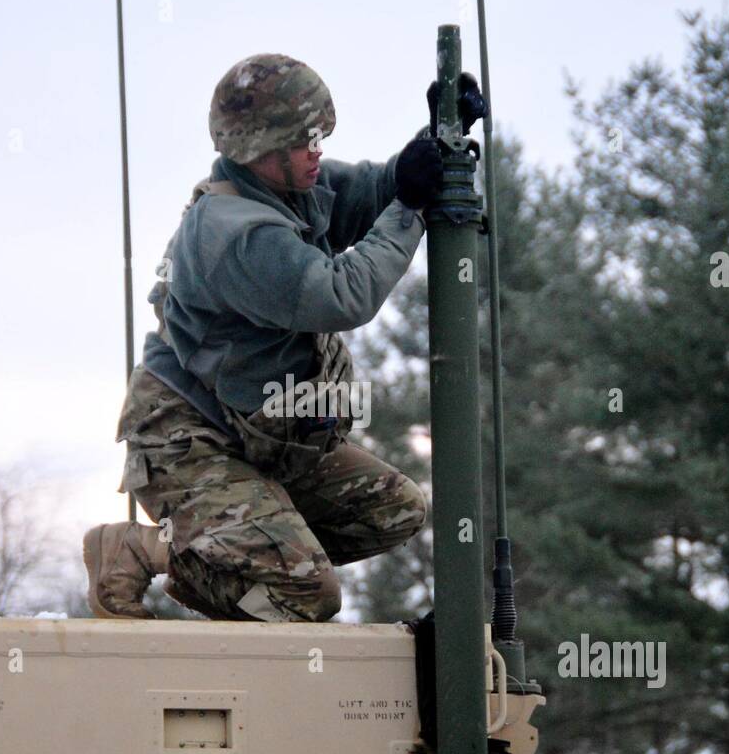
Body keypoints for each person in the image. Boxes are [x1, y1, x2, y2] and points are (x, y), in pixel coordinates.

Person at [84, 52, 486, 622]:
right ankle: (145, 549)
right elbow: (341, 295)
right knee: (305, 593)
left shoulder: (289, 186)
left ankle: (259, 547)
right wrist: (412, 206)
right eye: (305, 140)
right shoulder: (235, 235)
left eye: (321, 134)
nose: (318, 149)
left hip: (265, 438)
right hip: (190, 442)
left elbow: (373, 191)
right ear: (259, 152)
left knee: (391, 512)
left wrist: (434, 142)